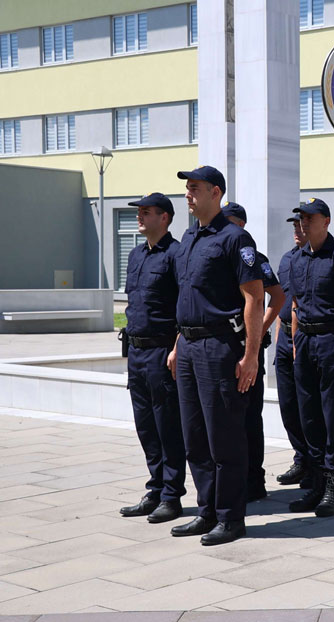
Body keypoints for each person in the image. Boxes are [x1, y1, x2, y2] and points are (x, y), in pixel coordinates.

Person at [170, 165, 263, 546]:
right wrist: (178, 345)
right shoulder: (189, 238)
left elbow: (255, 298)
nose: (188, 195)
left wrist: (252, 356)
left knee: (224, 436)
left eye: (195, 188)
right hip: (189, 347)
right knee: (194, 438)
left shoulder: (234, 238)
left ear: (216, 193)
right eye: (187, 189)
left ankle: (230, 517)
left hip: (219, 348)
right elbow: (187, 297)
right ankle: (206, 510)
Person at [286, 198, 334, 516]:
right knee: (309, 417)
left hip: (332, 340)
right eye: (301, 217)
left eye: (310, 217)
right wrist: (293, 342)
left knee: (333, 418)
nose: (304, 222)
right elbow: (294, 304)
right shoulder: (297, 258)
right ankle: (316, 483)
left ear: (326, 221)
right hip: (304, 340)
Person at [119, 192, 186, 524]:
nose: (140, 217)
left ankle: (172, 495)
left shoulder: (176, 255)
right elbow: (133, 305)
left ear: (165, 218)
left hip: (163, 351)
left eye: (147, 212)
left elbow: (183, 308)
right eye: (139, 212)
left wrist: (176, 347)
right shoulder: (135, 255)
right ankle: (155, 488)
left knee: (167, 425)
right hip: (137, 352)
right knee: (146, 426)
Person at [222, 202, 285, 503]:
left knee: (249, 417)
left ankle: (254, 480)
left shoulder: (253, 258)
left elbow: (277, 296)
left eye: (230, 222)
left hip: (248, 351)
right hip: (221, 350)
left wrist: (257, 332)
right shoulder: (217, 255)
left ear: (242, 225)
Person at [274, 215, 311, 487]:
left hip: (308, 340)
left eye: (302, 225)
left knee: (309, 407)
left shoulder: (324, 258)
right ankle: (301, 459)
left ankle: (316, 464)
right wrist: (278, 341)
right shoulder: (287, 259)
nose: (298, 230)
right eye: (295, 226)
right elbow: (282, 304)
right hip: (285, 336)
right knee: (288, 405)